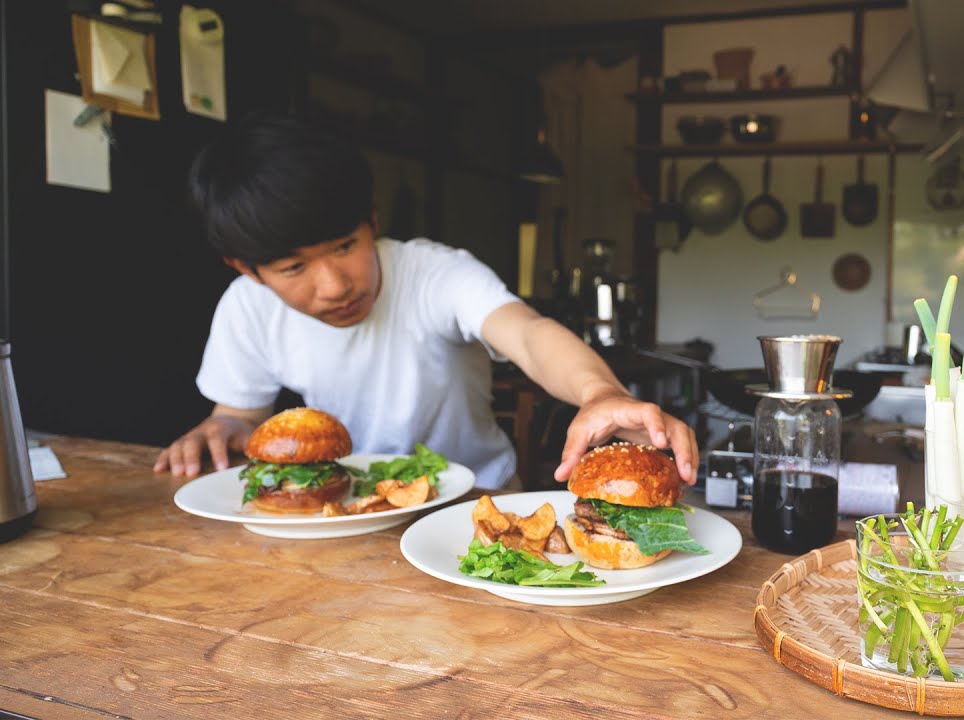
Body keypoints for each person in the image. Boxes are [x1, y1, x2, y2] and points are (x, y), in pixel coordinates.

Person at [153, 112, 697, 490]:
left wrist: (599, 393)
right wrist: (223, 429)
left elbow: (528, 334)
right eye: (293, 267)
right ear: (246, 269)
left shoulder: (435, 273)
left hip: (476, 503)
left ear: (372, 220)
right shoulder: (247, 307)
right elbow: (241, 415)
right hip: (350, 513)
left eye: (346, 246)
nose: (335, 285)